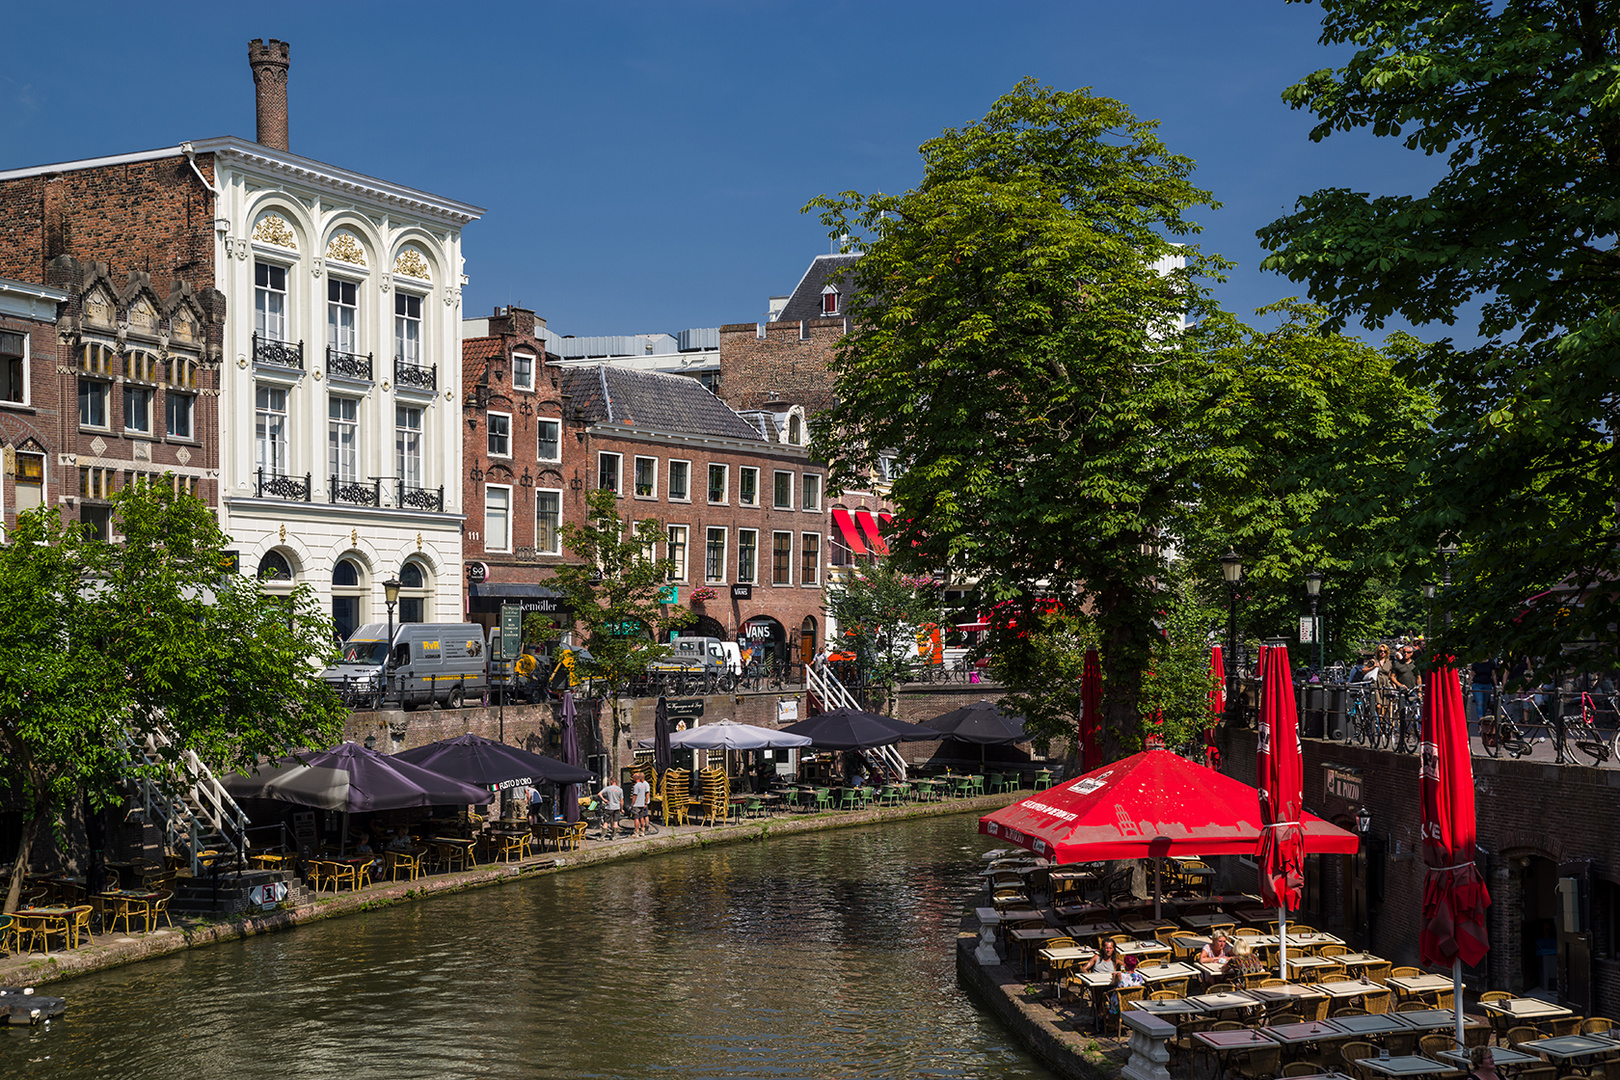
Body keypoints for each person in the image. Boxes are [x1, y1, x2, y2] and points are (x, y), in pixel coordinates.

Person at [1104, 954, 1147, 1032]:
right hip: (1134, 1002)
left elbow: (1114, 983)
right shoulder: (1139, 977)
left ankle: (1112, 1018)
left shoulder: (1120, 975)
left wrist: (1114, 977)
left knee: (1111, 995)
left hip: (1121, 1003)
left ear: (1125, 965)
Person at [630, 771, 651, 838]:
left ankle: (636, 832)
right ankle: (642, 831)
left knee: (636, 818)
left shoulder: (636, 786)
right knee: (642, 817)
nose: (632, 778)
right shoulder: (643, 785)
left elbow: (635, 796)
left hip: (637, 804)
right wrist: (644, 802)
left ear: (636, 778)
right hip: (642, 804)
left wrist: (632, 804)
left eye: (633, 777)